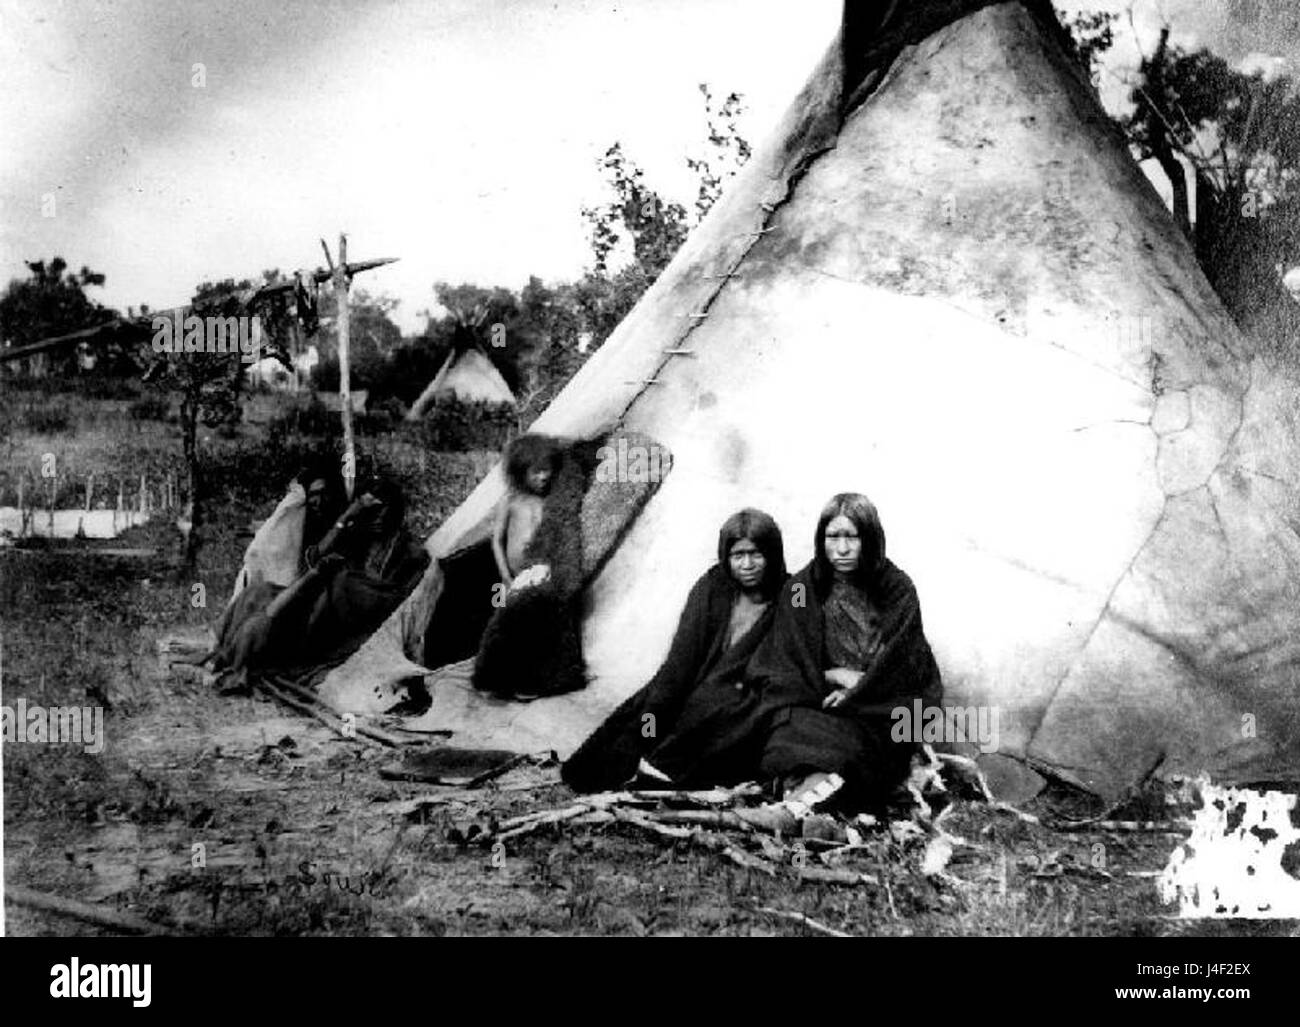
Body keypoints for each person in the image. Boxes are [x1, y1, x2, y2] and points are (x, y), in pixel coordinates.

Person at [562, 508, 788, 792]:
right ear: (726, 557)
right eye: (738, 556)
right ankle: (633, 765)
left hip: (742, 697)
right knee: (647, 715)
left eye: (756, 554)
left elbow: (785, 661)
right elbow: (682, 659)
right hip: (692, 680)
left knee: (712, 723)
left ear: (772, 553)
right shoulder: (713, 586)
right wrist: (661, 704)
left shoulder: (789, 597)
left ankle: (662, 771)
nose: (747, 564)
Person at [748, 492, 943, 813]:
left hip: (880, 706)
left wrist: (862, 689)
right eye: (832, 536)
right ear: (820, 539)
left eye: (852, 537)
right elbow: (786, 660)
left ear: (870, 539)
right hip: (821, 700)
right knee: (788, 725)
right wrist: (835, 675)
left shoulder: (897, 589)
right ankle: (805, 792)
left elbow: (906, 665)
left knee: (873, 744)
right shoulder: (802, 589)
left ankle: (813, 792)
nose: (841, 549)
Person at [492, 434, 563, 588]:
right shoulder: (510, 500)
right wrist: (505, 575)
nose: (543, 476)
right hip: (518, 572)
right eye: (536, 472)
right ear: (521, 473)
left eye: (546, 470)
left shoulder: (547, 499)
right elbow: (497, 540)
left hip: (541, 567)